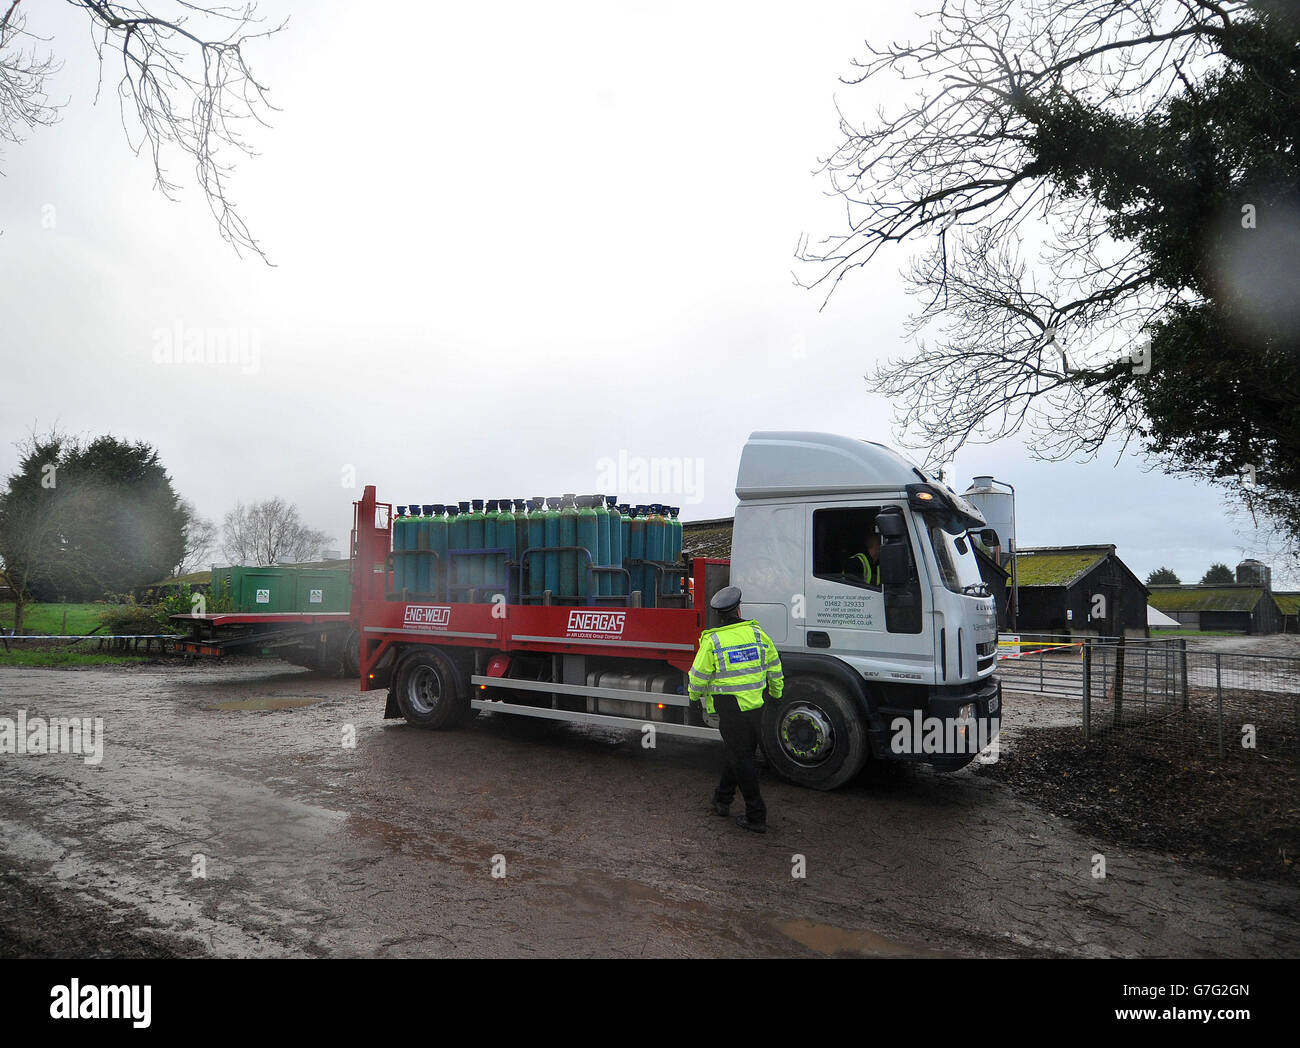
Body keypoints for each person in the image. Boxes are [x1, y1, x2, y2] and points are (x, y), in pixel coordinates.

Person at [687, 586, 783, 833]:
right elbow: (774, 666)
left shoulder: (713, 640)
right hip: (758, 704)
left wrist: (693, 698)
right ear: (739, 609)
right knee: (739, 753)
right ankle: (722, 798)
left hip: (730, 708)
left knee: (741, 758)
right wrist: (776, 694)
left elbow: (698, 676)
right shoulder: (758, 634)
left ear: (720, 615)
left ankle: (756, 815)